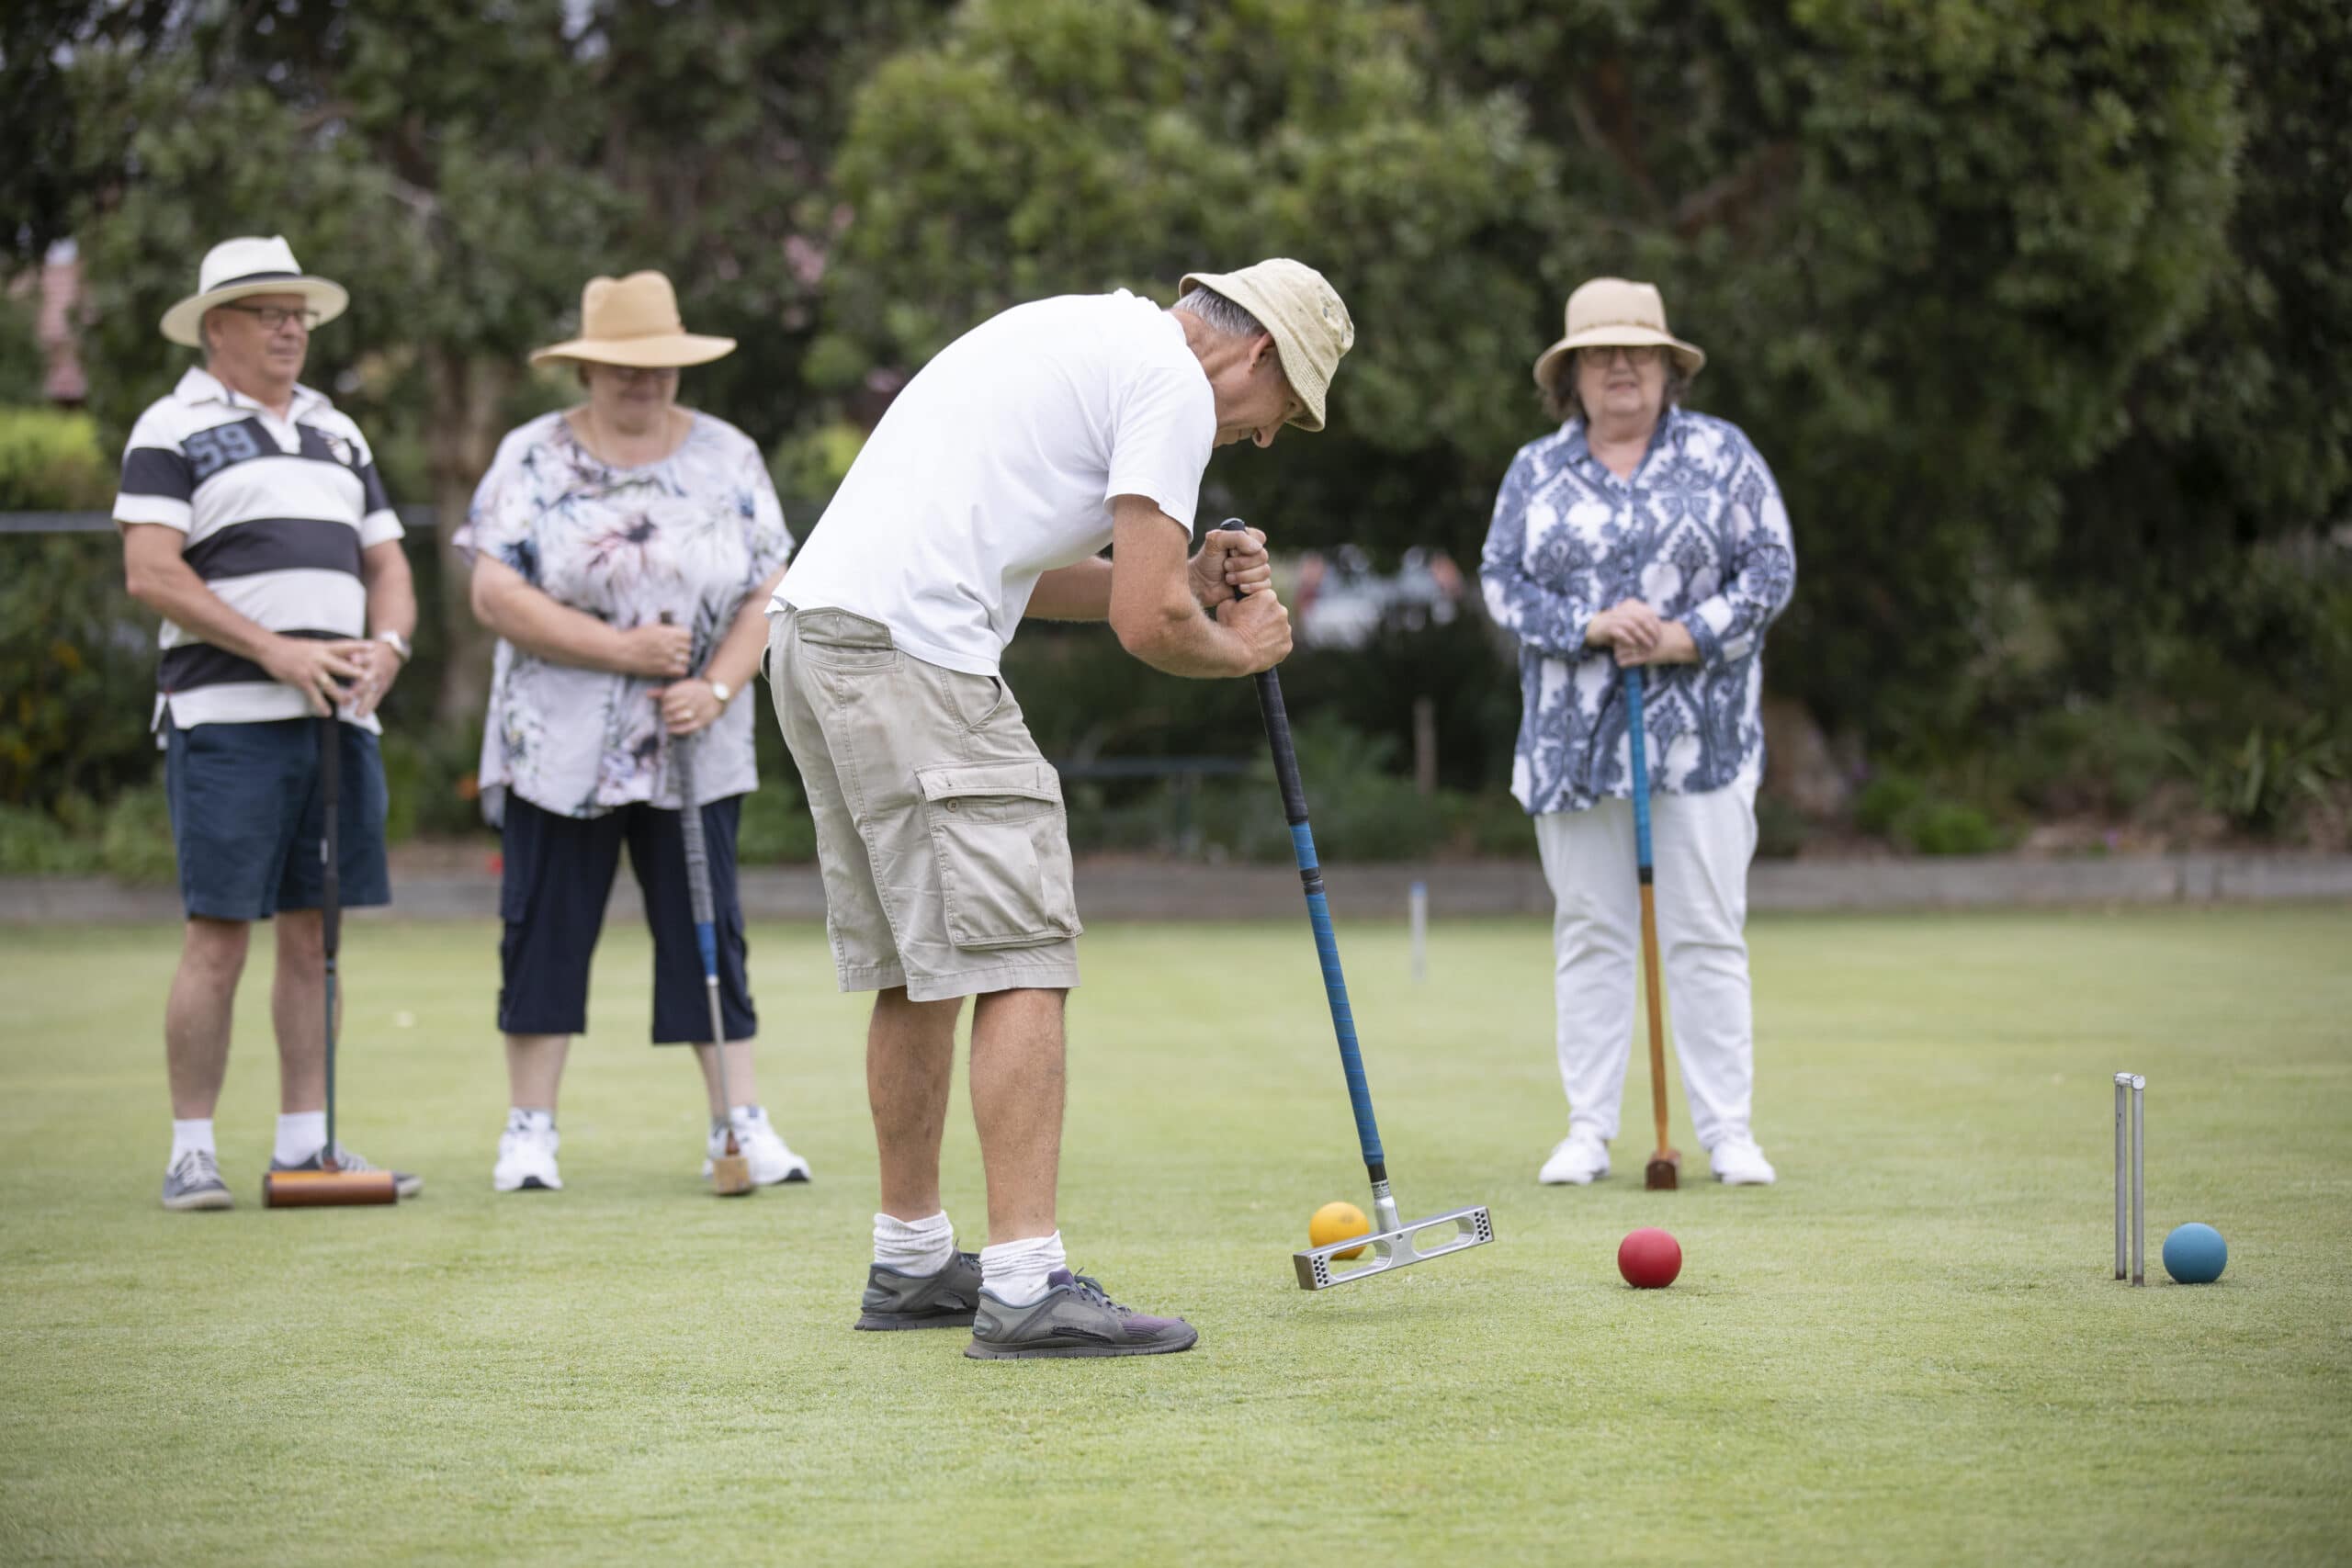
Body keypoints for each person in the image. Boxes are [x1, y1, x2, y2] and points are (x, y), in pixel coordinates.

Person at [770, 259, 1351, 1358]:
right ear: (1259, 354)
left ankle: (910, 1261)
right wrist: (1240, 650)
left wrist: (1181, 567)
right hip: (913, 659)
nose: (1270, 439)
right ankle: (1027, 1282)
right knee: (1022, 955)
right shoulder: (1175, 385)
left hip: (818, 637)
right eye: (1288, 410)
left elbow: (1034, 576)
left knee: (920, 964)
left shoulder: (1082, 334)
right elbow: (1147, 623)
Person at [457, 271, 808, 1194]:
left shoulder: (730, 457)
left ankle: (738, 1123)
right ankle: (528, 1132)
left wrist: (722, 687)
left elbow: (773, 588)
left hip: (697, 737)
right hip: (558, 745)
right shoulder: (530, 456)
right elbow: (494, 592)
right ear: (586, 368)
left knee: (707, 925)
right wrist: (619, 649)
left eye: (657, 365)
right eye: (621, 366)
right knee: (543, 928)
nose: (641, 382)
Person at [115, 234, 421, 1210]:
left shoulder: (339, 430)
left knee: (312, 936)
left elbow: (389, 566)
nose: (293, 327)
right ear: (217, 329)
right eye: (268, 312)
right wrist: (275, 650)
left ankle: (305, 1146)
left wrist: (390, 648)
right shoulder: (171, 425)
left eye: (300, 313)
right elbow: (152, 572)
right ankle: (191, 1151)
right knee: (219, 935)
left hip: (339, 719)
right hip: (227, 716)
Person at [1479, 276, 1795, 1189]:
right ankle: (1586, 1133)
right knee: (1590, 933)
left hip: (1702, 740)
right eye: (1600, 354)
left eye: (1639, 351)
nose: (1621, 367)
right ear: (1569, 375)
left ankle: (1728, 1133)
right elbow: (1501, 582)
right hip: (1571, 746)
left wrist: (1685, 634)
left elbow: (1769, 571)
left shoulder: (1724, 455)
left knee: (1704, 932)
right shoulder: (1535, 471)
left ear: (1666, 367)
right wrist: (1588, 623)